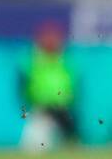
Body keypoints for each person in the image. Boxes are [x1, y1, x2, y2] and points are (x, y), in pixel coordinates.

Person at [19, 22, 79, 150]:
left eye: (55, 38)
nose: (52, 42)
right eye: (47, 38)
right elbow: (23, 87)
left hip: (63, 110)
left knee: (71, 146)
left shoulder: (66, 61)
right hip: (41, 111)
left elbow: (73, 86)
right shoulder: (32, 61)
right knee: (35, 147)